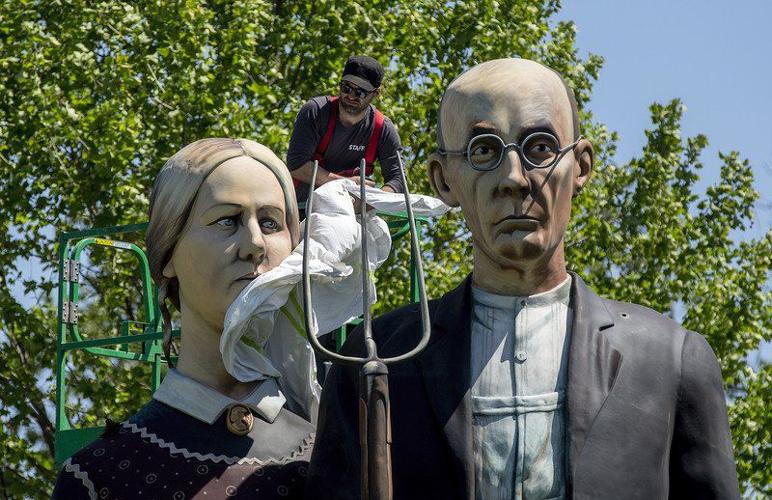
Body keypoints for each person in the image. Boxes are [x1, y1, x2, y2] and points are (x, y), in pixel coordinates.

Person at [307, 59, 740, 499]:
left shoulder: (671, 362)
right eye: (483, 151)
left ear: (582, 166)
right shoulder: (374, 360)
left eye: (539, 148)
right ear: (443, 180)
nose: (513, 179)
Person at [53, 139, 314, 499]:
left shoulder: (336, 461)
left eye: (270, 223)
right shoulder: (99, 476)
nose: (254, 243)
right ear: (168, 254)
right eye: (227, 220)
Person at [286, 55, 404, 204]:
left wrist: (369, 203)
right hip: (303, 209)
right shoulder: (316, 111)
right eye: (346, 88)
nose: (351, 96)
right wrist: (345, 185)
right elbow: (296, 164)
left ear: (375, 94)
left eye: (360, 92)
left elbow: (398, 179)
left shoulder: (382, 129)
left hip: (354, 215)